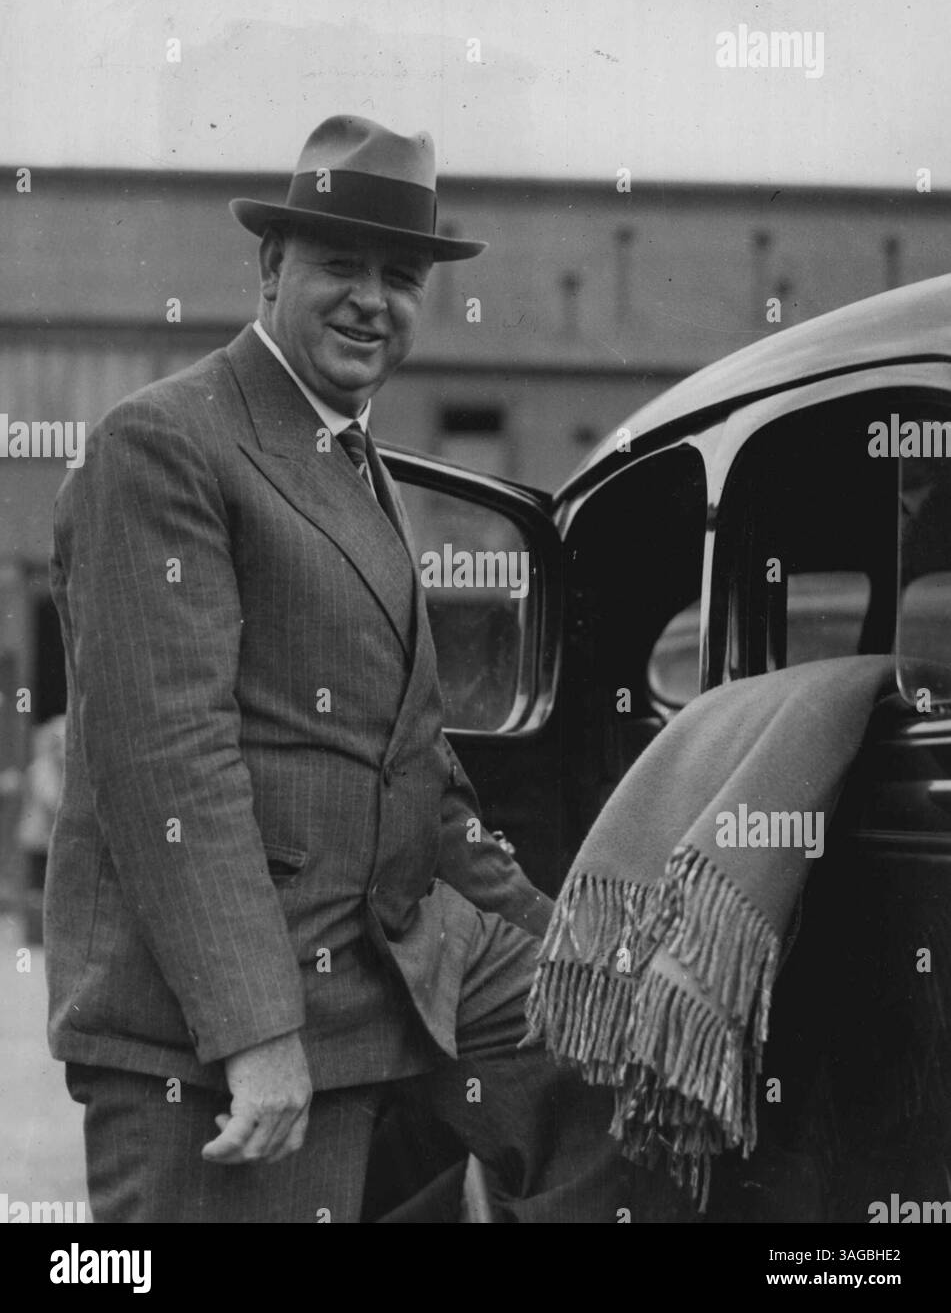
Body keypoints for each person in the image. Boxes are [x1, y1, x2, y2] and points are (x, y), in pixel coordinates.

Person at [45, 115, 633, 1222]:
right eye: (340, 266)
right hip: (212, 1035)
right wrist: (257, 1035)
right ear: (271, 267)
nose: (373, 299)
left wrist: (577, 952)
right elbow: (167, 764)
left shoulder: (364, 468)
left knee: (618, 1047)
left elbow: (419, 770)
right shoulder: (165, 442)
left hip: (379, 970)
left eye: (401, 276)